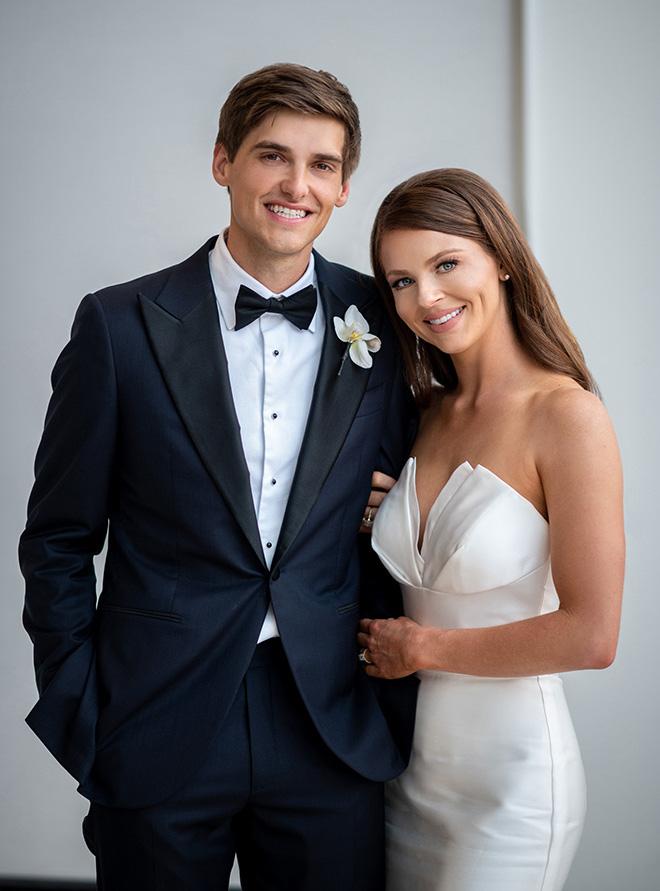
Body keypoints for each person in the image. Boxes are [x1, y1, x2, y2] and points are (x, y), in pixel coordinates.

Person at [19, 63, 418, 891]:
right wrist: (81, 707)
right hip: (154, 716)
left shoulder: (384, 323)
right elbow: (57, 538)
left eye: (322, 165)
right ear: (222, 161)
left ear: (344, 188)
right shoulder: (119, 324)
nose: (295, 185)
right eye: (272, 155)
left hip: (329, 725)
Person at [358, 168, 624, 891]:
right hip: (407, 776)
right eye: (402, 280)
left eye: (447, 264)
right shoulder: (425, 414)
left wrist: (424, 647)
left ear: (501, 258)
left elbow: (592, 635)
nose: (428, 297)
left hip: (512, 787)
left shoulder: (567, 415)